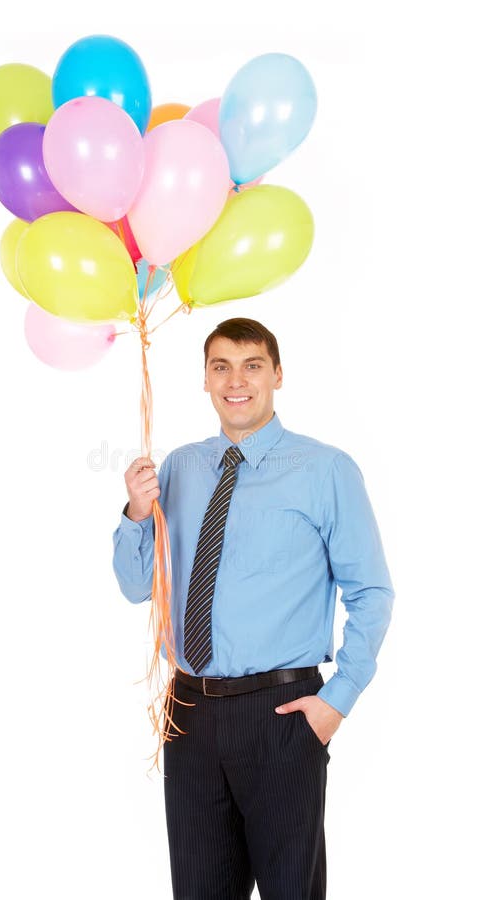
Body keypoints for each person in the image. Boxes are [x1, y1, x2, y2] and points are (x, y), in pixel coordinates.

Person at [112, 317, 395, 900]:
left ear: (277, 375)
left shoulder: (325, 469)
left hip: (282, 716)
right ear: (206, 379)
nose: (235, 380)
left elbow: (370, 592)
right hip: (187, 712)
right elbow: (137, 586)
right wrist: (135, 514)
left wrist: (336, 701)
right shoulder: (180, 467)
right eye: (221, 366)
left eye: (252, 365)